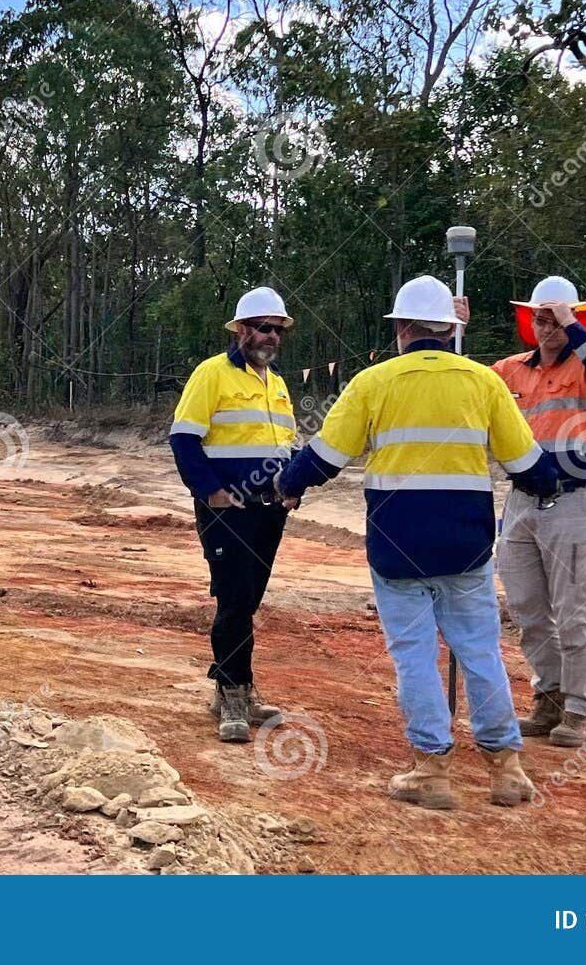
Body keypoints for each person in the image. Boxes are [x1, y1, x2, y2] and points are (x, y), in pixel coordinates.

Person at [277, 276, 560, 809]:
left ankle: (431, 769)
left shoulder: (373, 383)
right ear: (451, 327)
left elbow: (324, 456)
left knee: (414, 656)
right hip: (467, 545)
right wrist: (549, 485)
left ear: (402, 328)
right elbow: (527, 465)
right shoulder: (484, 382)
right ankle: (507, 770)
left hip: (396, 543)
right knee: (480, 652)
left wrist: (289, 486)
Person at [469, 277, 586, 749]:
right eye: (539, 317)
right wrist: (454, 330)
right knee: (528, 610)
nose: (545, 326)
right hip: (520, 502)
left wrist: (572, 323)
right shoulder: (509, 370)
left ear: (571, 320)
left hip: (570, 503)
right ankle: (549, 698)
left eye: (553, 318)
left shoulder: (585, 366)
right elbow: (466, 386)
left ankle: (578, 709)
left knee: (573, 614)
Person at [169, 286, 298, 743]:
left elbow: (285, 445)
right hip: (229, 512)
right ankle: (230, 692)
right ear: (241, 330)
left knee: (249, 600)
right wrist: (212, 493)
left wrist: (292, 486)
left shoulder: (277, 384)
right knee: (233, 599)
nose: (272, 337)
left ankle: (238, 684)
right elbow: (184, 439)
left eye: (278, 330)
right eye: (264, 328)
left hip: (269, 512)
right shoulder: (212, 374)